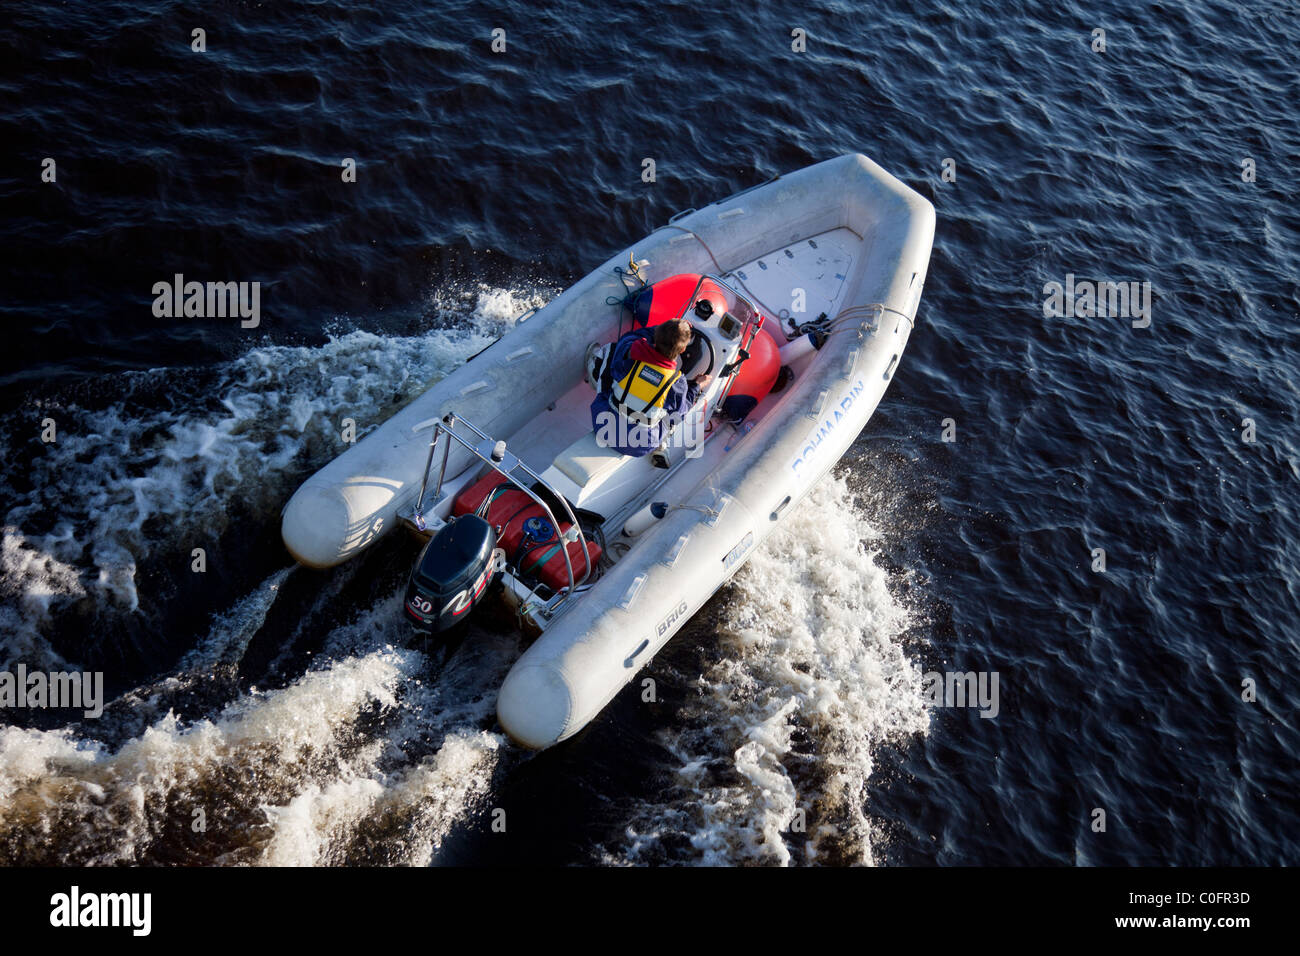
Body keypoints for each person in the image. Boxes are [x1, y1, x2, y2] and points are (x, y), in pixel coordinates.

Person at [590, 318, 711, 457]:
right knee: (673, 416)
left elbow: (629, 337)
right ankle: (664, 444)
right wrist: (696, 386)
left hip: (602, 426)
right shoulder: (677, 384)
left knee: (612, 350)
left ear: (656, 335)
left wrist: (660, 330)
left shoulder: (630, 353)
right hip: (638, 444)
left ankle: (594, 369)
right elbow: (680, 412)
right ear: (683, 349)